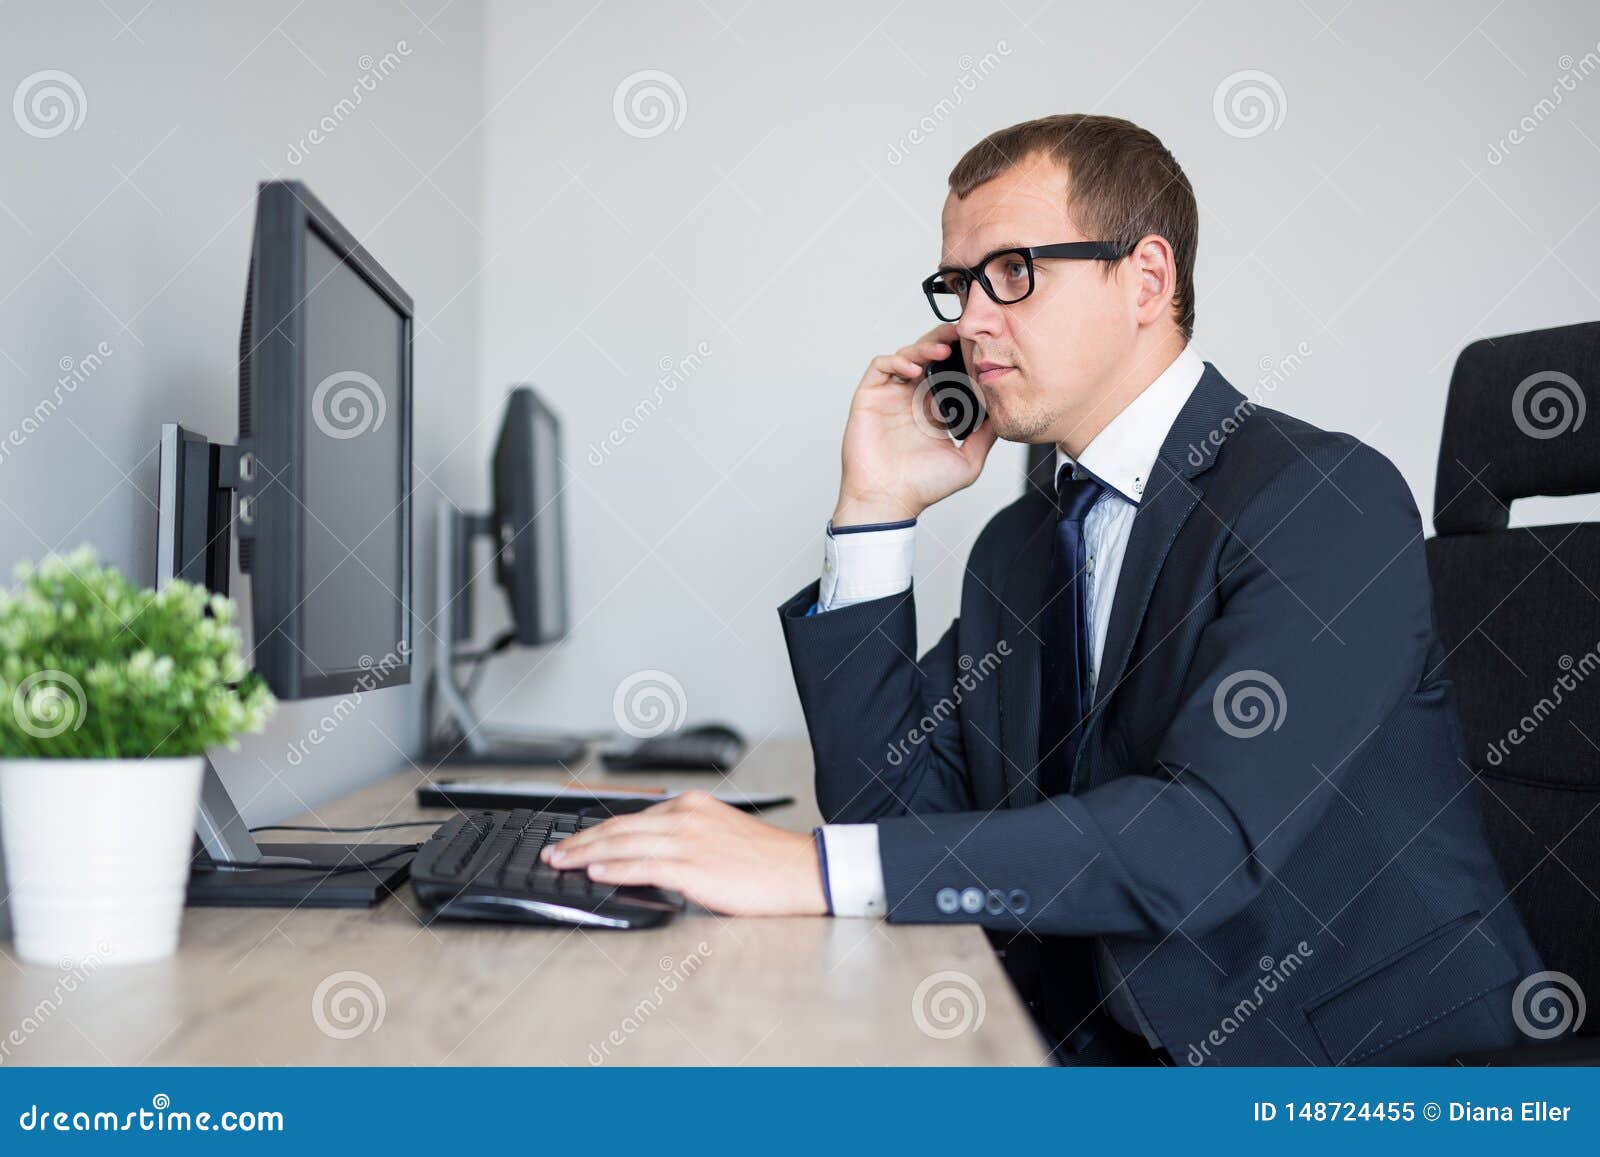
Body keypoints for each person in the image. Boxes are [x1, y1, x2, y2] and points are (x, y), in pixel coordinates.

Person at [544, 114, 1543, 1065]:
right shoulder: (1020, 545)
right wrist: (874, 509)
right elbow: (887, 804)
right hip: (1082, 1038)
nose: (972, 320)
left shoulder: (1322, 498)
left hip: (1345, 1065)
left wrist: (804, 866)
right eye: (956, 284)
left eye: (1011, 273)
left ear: (1144, 278)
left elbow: (1204, 841)